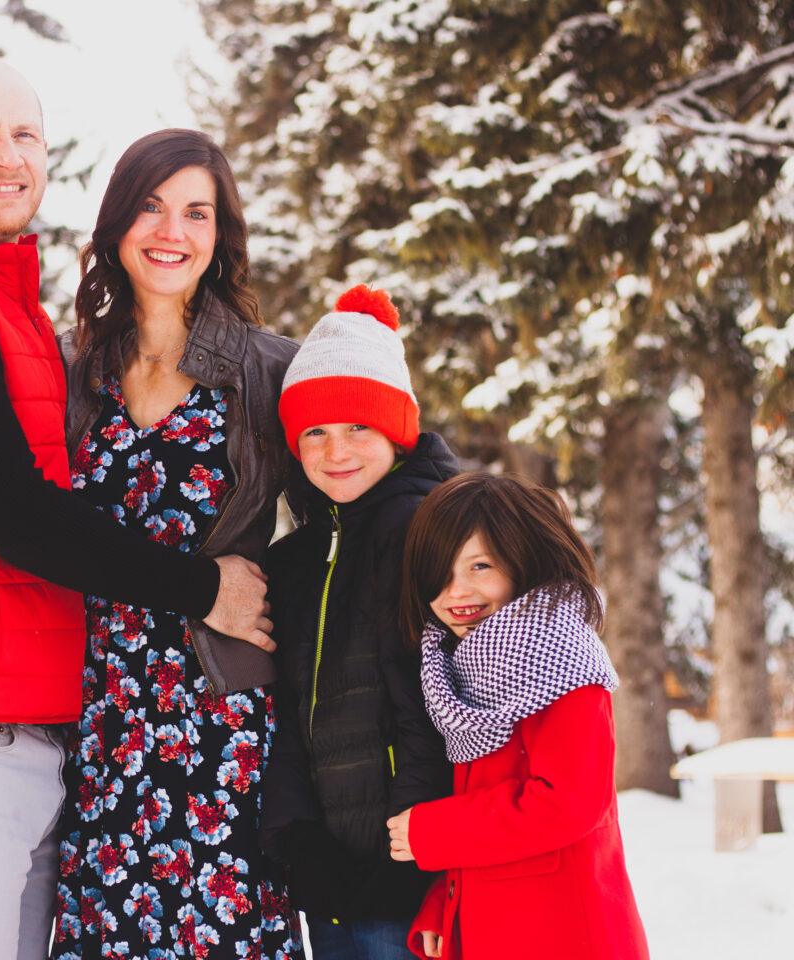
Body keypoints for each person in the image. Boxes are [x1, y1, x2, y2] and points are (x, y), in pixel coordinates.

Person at [0, 57, 273, 960]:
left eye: (25, 135)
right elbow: (15, 514)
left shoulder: (16, 312)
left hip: (53, 737)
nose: (7, 157)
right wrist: (202, 589)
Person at [50, 128, 304, 959]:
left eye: (197, 212)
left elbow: (384, 483)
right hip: (101, 717)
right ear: (118, 225)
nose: (172, 231)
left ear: (219, 235)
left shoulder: (270, 371)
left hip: (219, 716)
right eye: (152, 207)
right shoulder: (74, 371)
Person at [257, 284, 456, 959]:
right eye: (316, 431)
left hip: (409, 867)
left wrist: (412, 849)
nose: (336, 450)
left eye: (358, 427)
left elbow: (435, 703)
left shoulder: (431, 531)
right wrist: (299, 838)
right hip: (328, 875)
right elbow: (281, 703)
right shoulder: (292, 561)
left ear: (396, 430)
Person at [386, 472, 650, 960]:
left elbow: (567, 803)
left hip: (563, 929)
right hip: (497, 924)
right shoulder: (462, 663)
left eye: (479, 566)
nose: (455, 593)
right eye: (438, 575)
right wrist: (443, 908)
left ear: (522, 561)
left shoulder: (559, 656)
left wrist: (433, 832)